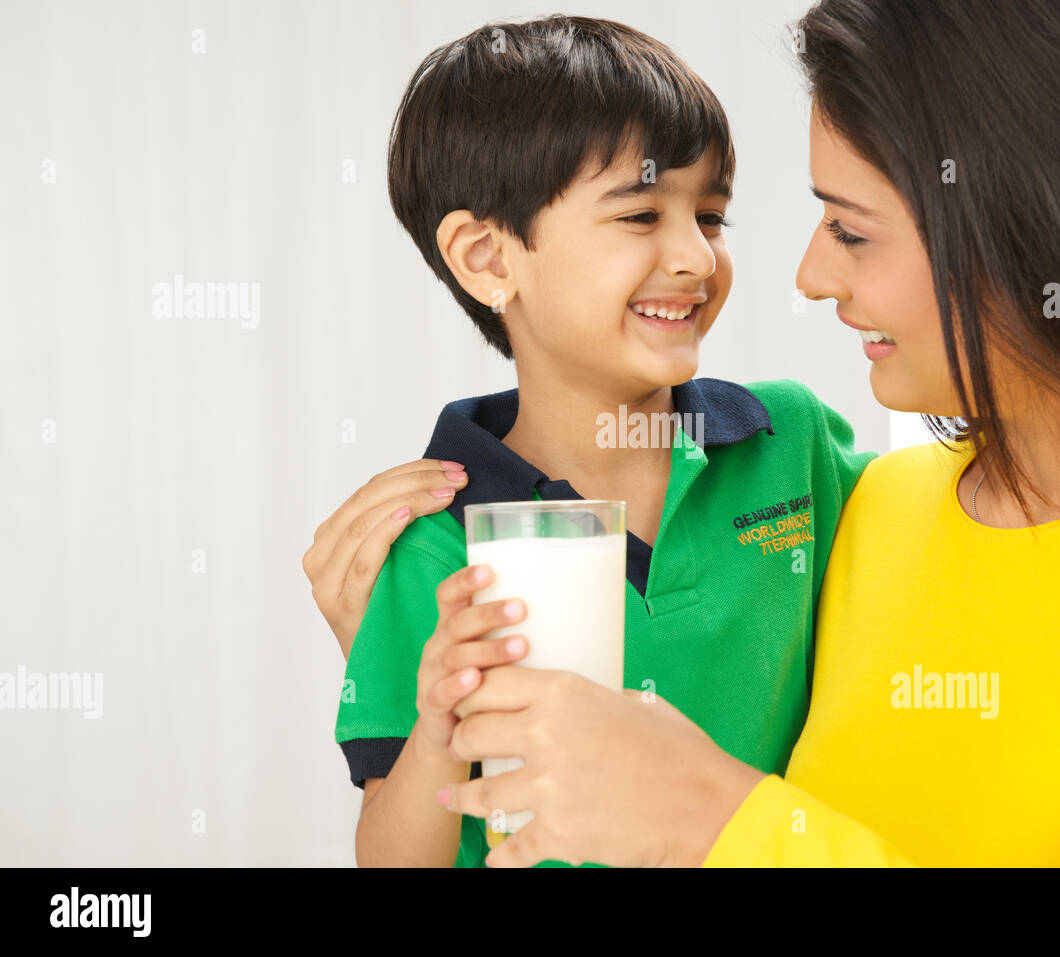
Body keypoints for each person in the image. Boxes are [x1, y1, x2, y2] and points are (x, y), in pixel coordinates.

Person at [410, 0, 1060, 867]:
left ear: (1032, 232)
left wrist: (718, 824)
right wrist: (426, 656)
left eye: (852, 230)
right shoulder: (868, 507)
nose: (809, 272)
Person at [312, 14, 879, 868]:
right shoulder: (429, 543)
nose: (695, 256)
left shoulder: (791, 442)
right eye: (642, 214)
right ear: (487, 259)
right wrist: (435, 733)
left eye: (712, 217)